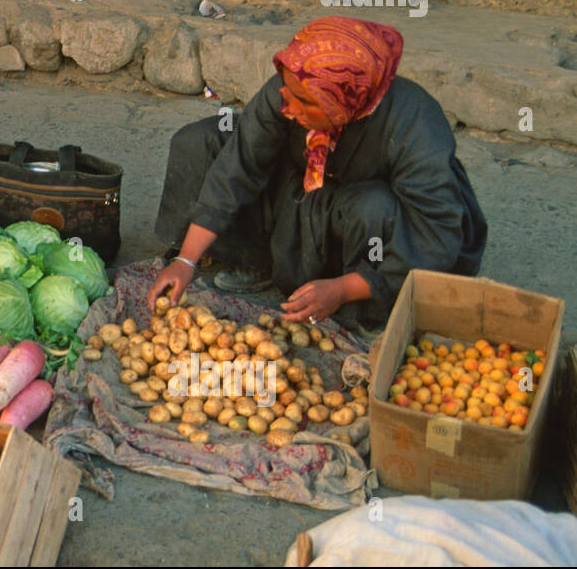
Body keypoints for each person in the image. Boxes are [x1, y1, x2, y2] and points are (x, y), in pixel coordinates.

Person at [147, 16, 486, 333]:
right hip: (304, 191)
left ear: (343, 103)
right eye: (286, 92)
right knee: (205, 139)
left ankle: (355, 306)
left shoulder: (416, 124)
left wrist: (343, 288)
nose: (286, 107)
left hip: (370, 225)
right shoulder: (290, 87)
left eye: (304, 103)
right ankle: (259, 263)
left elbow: (437, 236)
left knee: (373, 208)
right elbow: (239, 165)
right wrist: (185, 260)